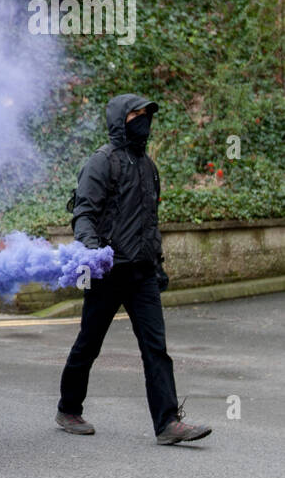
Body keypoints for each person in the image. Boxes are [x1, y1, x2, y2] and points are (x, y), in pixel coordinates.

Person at [57, 93, 212, 445]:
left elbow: (149, 222)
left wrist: (157, 264)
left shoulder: (148, 166)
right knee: (88, 344)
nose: (144, 120)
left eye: (146, 114)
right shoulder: (102, 163)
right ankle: (68, 408)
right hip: (109, 273)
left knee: (155, 348)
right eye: (136, 115)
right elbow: (83, 213)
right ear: (119, 120)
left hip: (141, 274)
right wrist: (93, 252)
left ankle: (168, 423)